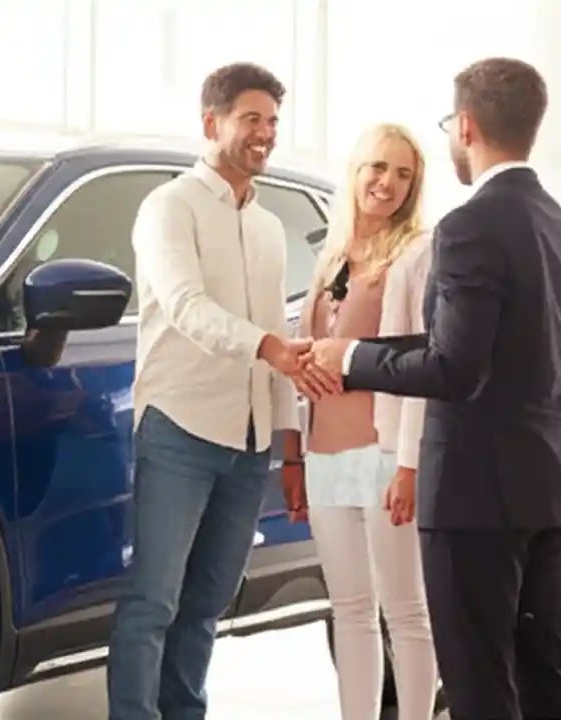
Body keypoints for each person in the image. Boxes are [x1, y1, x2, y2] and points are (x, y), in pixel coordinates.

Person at [306, 57, 561, 720]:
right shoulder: (552, 222)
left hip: (475, 497)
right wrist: (356, 354)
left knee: (479, 687)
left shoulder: (468, 226)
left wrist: (351, 359)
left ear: (466, 127)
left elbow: (454, 368)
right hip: (542, 488)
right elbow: (480, 348)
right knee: (540, 683)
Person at [108, 61, 320, 720]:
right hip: (180, 427)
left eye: (273, 121)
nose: (266, 133)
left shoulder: (267, 226)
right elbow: (184, 305)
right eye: (251, 119)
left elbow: (277, 330)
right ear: (212, 123)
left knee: (206, 605)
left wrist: (290, 447)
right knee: (153, 602)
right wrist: (268, 347)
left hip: (249, 442)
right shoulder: (169, 207)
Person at [291, 122, 439, 720]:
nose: (387, 183)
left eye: (403, 174)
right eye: (378, 167)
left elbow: (426, 363)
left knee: (406, 611)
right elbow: (307, 356)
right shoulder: (332, 256)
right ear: (355, 170)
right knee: (350, 610)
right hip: (326, 455)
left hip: (384, 455)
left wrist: (410, 465)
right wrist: (295, 453)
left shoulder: (417, 254)